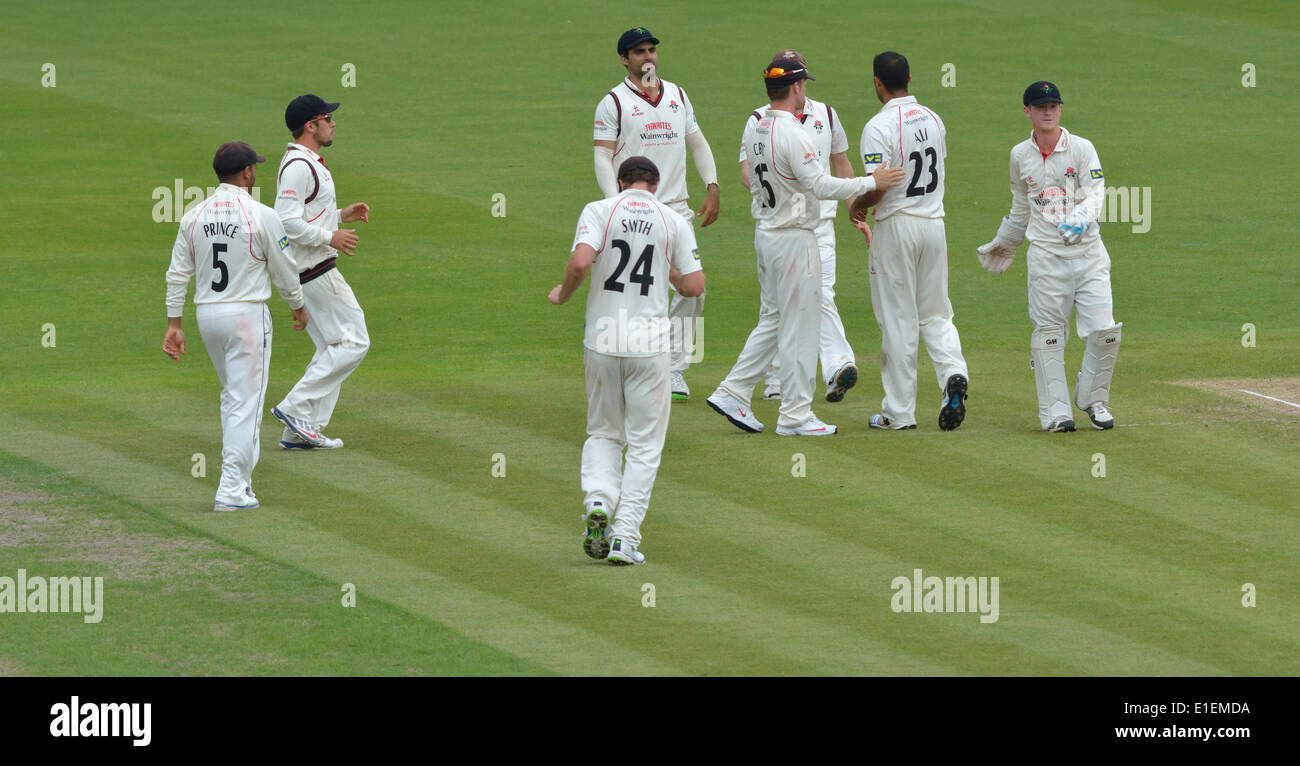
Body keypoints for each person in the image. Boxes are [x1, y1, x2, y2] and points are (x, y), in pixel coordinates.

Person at [707, 55, 904, 437]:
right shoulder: (793, 133)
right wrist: (871, 181)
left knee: (776, 320)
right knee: (801, 325)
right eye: (804, 86)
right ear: (796, 88)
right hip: (795, 237)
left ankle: (733, 391)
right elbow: (821, 185)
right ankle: (795, 414)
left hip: (768, 234)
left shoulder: (759, 128)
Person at [548, 157, 705, 566]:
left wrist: (562, 294)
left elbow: (581, 262)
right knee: (644, 446)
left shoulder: (600, 209)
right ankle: (625, 537)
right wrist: (665, 269)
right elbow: (695, 286)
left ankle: (598, 501)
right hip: (648, 347)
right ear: (656, 184)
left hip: (601, 341)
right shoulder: (673, 220)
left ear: (621, 182)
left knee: (603, 433)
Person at [162, 142, 309, 511]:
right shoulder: (261, 214)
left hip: (207, 316)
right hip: (246, 315)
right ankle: (231, 489)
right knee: (246, 402)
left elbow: (178, 273)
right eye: (253, 167)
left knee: (233, 397)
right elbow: (285, 268)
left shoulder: (193, 216)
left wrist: (173, 323)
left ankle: (240, 484)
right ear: (246, 172)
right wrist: (298, 307)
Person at [976, 81, 1121, 432]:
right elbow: (1021, 204)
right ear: (1027, 111)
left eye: (1054, 105)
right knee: (1050, 334)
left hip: (1088, 256)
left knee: (1105, 332)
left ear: (1060, 109)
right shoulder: (1019, 156)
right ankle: (1057, 413)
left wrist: (1080, 220)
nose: (1048, 111)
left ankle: (1093, 399)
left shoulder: (1082, 149)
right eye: (1040, 106)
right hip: (1045, 259)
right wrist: (1006, 241)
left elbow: (1098, 194)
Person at [593, 27, 719, 402]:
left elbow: (696, 143)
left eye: (651, 50)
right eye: (639, 52)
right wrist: (614, 201)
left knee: (694, 291)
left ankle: (675, 369)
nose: (647, 57)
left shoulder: (678, 95)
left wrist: (712, 185)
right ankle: (629, 367)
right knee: (640, 293)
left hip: (678, 211)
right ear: (624, 59)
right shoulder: (613, 102)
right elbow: (602, 154)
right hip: (635, 211)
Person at [850, 51, 970, 431]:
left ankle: (898, 413)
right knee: (936, 313)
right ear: (910, 79)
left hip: (898, 227)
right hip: (934, 224)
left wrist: (857, 205)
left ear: (876, 83)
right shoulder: (934, 119)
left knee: (899, 320)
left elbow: (880, 185)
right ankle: (953, 371)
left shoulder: (878, 126)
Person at [738, 49, 861, 405]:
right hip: (781, 224)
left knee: (821, 295)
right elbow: (748, 171)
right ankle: (775, 379)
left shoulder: (826, 115)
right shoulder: (760, 120)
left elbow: (841, 164)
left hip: (820, 224)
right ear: (797, 84)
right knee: (775, 306)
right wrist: (780, 192)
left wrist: (854, 211)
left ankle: (837, 367)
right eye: (802, 81)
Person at [270, 94, 371, 449]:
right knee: (355, 342)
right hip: (315, 270)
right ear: (310, 126)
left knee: (332, 346)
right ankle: (295, 408)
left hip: (311, 268)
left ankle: (301, 430)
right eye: (327, 117)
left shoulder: (306, 162)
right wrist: (331, 235)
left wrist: (341, 214)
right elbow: (285, 221)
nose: (333, 122)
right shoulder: (299, 165)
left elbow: (306, 212)